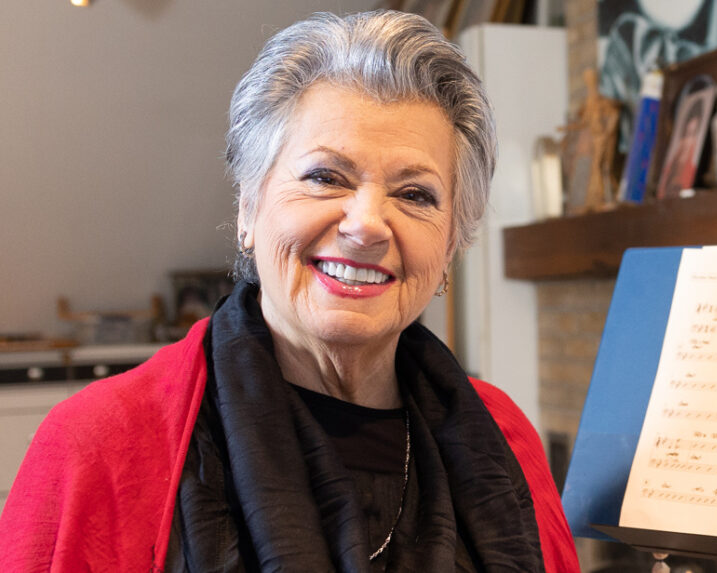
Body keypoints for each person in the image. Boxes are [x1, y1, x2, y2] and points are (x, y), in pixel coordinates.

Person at [0, 11, 580, 573]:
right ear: (249, 209)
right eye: (326, 177)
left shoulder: (505, 439)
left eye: (415, 195)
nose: (367, 225)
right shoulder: (99, 443)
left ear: (451, 243)